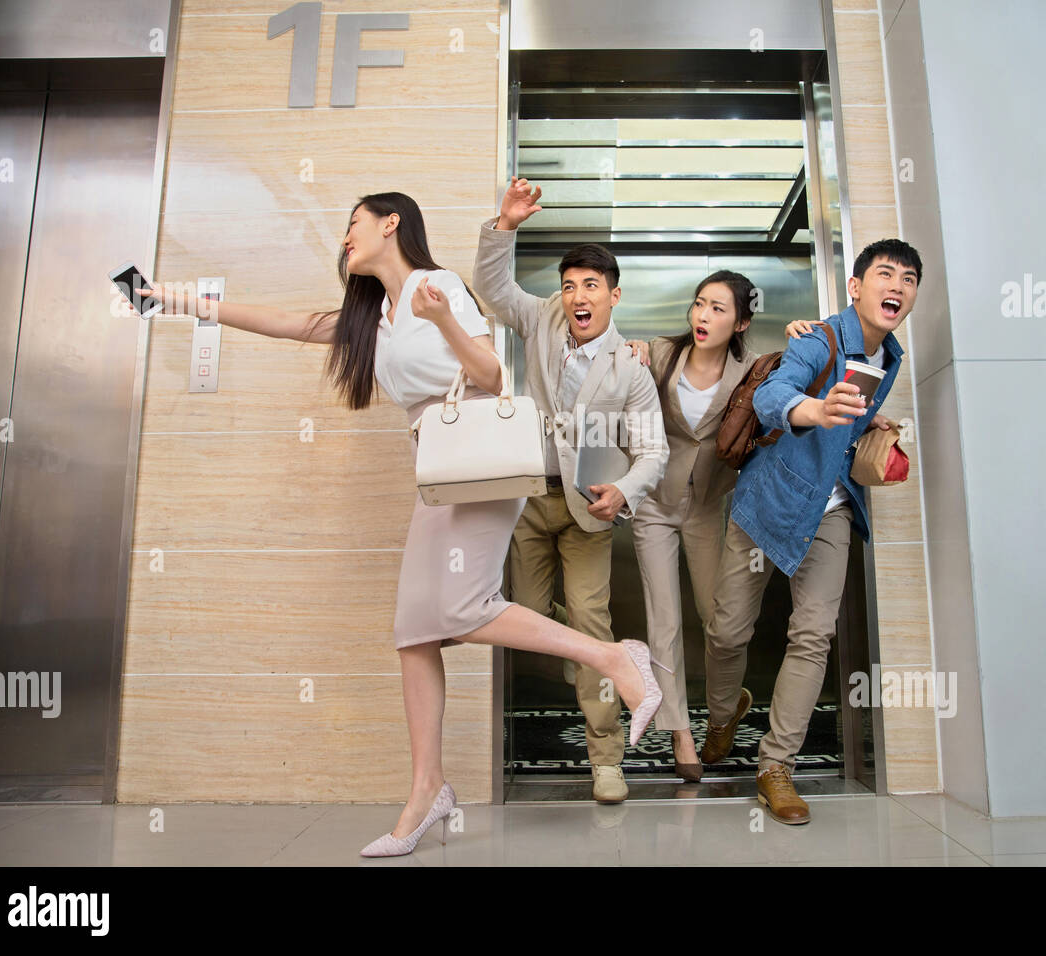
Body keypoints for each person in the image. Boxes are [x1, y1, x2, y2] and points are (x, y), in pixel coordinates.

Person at [136, 191, 668, 855]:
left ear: (391, 223)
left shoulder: (436, 285)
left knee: (464, 608)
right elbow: (290, 321)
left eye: (353, 224)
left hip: (479, 466)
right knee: (415, 631)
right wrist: (175, 301)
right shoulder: (374, 315)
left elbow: (490, 372)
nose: (345, 238)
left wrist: (445, 320)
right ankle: (429, 790)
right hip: (440, 476)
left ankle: (613, 655)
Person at [698, 238, 922, 825]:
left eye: (908, 279)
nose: (896, 286)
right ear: (855, 286)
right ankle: (723, 715)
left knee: (813, 634)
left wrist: (869, 424)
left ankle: (776, 767)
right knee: (727, 630)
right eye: (884, 274)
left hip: (833, 508)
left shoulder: (890, 355)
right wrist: (813, 410)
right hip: (769, 501)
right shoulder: (819, 338)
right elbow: (774, 393)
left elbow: (851, 414)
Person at [473, 177, 669, 804]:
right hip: (530, 499)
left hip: (589, 510)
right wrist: (505, 226)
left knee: (591, 620)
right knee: (522, 616)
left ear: (614, 295)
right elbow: (493, 290)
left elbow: (653, 451)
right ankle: (589, 652)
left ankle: (606, 758)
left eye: (590, 286)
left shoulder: (631, 370)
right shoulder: (542, 318)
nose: (577, 297)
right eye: (569, 285)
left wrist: (625, 492)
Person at [623, 281, 837, 780]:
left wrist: (798, 334)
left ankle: (725, 706)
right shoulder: (660, 354)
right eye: (699, 303)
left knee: (718, 619)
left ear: (740, 322)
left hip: (710, 507)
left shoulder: (754, 368)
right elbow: (614, 365)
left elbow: (800, 384)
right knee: (665, 621)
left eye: (717, 309)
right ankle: (679, 734)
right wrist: (625, 348)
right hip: (654, 503)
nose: (702, 315)